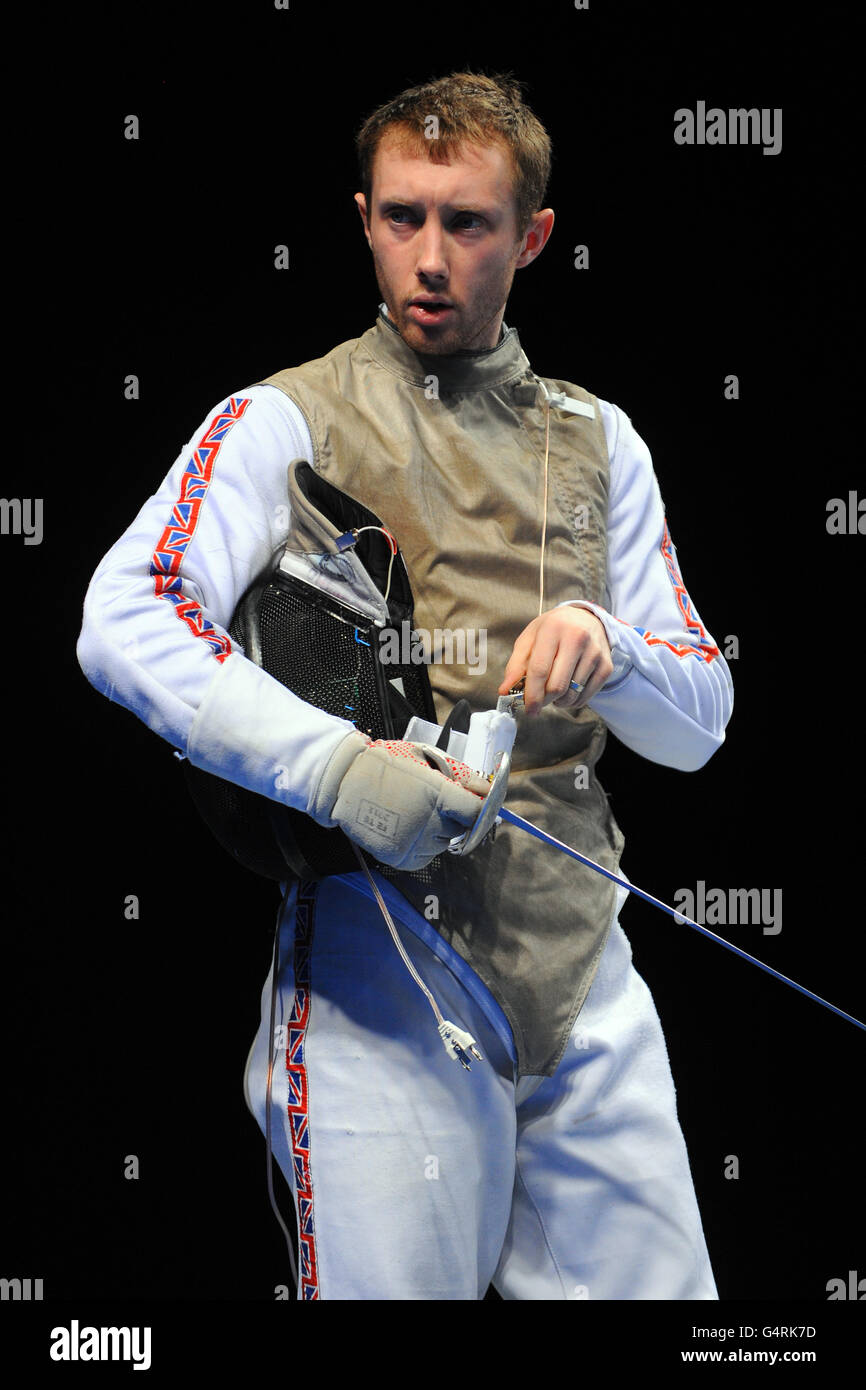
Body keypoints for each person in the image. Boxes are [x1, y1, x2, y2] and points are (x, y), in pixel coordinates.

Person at [76, 70, 733, 1301]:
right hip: (380, 982)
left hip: (581, 970)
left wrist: (614, 641)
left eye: (467, 224)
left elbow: (700, 720)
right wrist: (332, 768)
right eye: (398, 217)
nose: (427, 257)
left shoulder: (602, 442)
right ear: (365, 218)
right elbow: (123, 616)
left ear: (531, 237)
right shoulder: (285, 419)